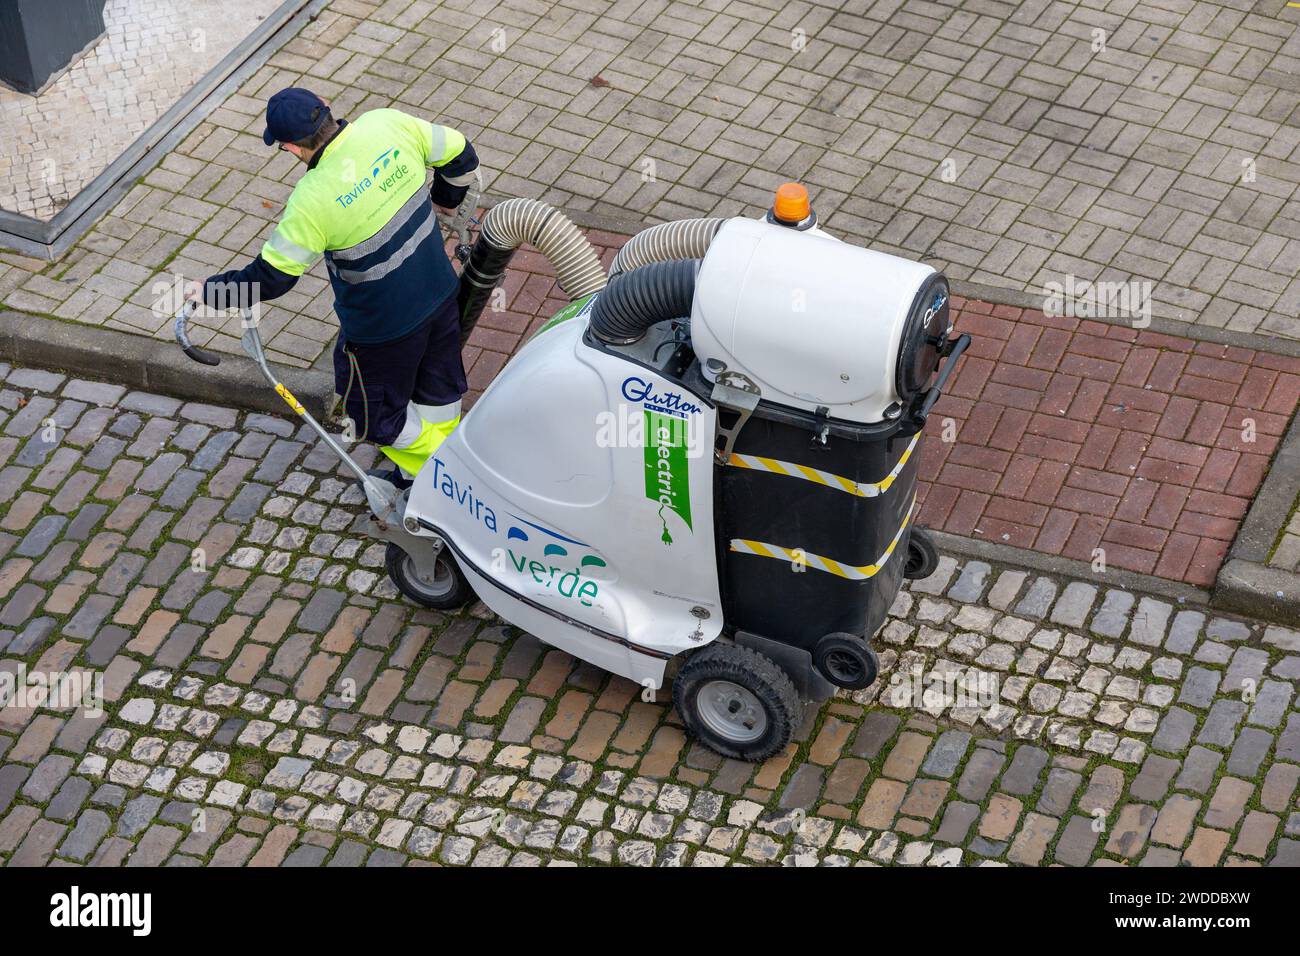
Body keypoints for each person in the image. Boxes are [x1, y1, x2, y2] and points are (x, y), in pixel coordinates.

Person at [188, 87, 479, 487]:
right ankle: (422, 482)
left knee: (368, 415)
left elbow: (273, 278)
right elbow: (462, 153)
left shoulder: (312, 199)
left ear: (289, 148)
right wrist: (445, 199)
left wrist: (210, 291)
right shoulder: (385, 123)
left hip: (383, 330)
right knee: (438, 389)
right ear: (327, 106)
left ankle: (447, 468)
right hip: (441, 294)